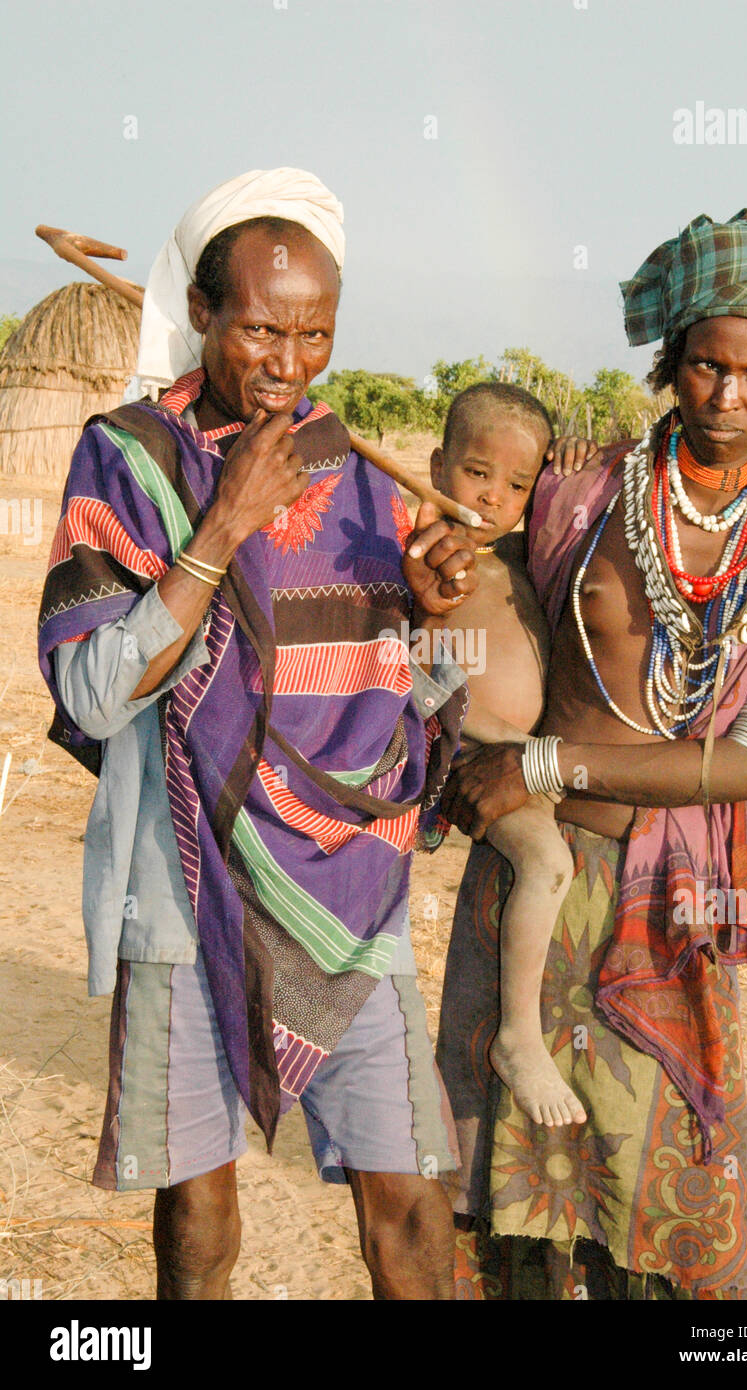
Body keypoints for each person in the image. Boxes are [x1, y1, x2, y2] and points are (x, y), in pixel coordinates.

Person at [37, 168, 479, 1301]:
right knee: (201, 1218)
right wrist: (223, 522)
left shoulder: (364, 472)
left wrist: (428, 614)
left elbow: (401, 699)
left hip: (350, 894)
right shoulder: (127, 457)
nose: (287, 362)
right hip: (185, 888)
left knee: (414, 1207)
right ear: (199, 310)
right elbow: (93, 692)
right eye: (260, 329)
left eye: (315, 333)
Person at [437, 209, 747, 1299]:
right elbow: (490, 620)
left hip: (675, 901)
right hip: (537, 882)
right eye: (706, 365)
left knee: (657, 1223)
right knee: (518, 1223)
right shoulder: (579, 494)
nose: (727, 396)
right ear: (670, 363)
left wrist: (545, 765)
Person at [426, 381, 588, 1128]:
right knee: (547, 862)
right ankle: (519, 1036)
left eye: (518, 484)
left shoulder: (518, 556)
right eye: (477, 472)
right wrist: (515, 744)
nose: (493, 497)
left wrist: (569, 476)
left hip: (526, 758)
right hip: (476, 757)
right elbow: (429, 673)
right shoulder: (430, 562)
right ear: (437, 466)